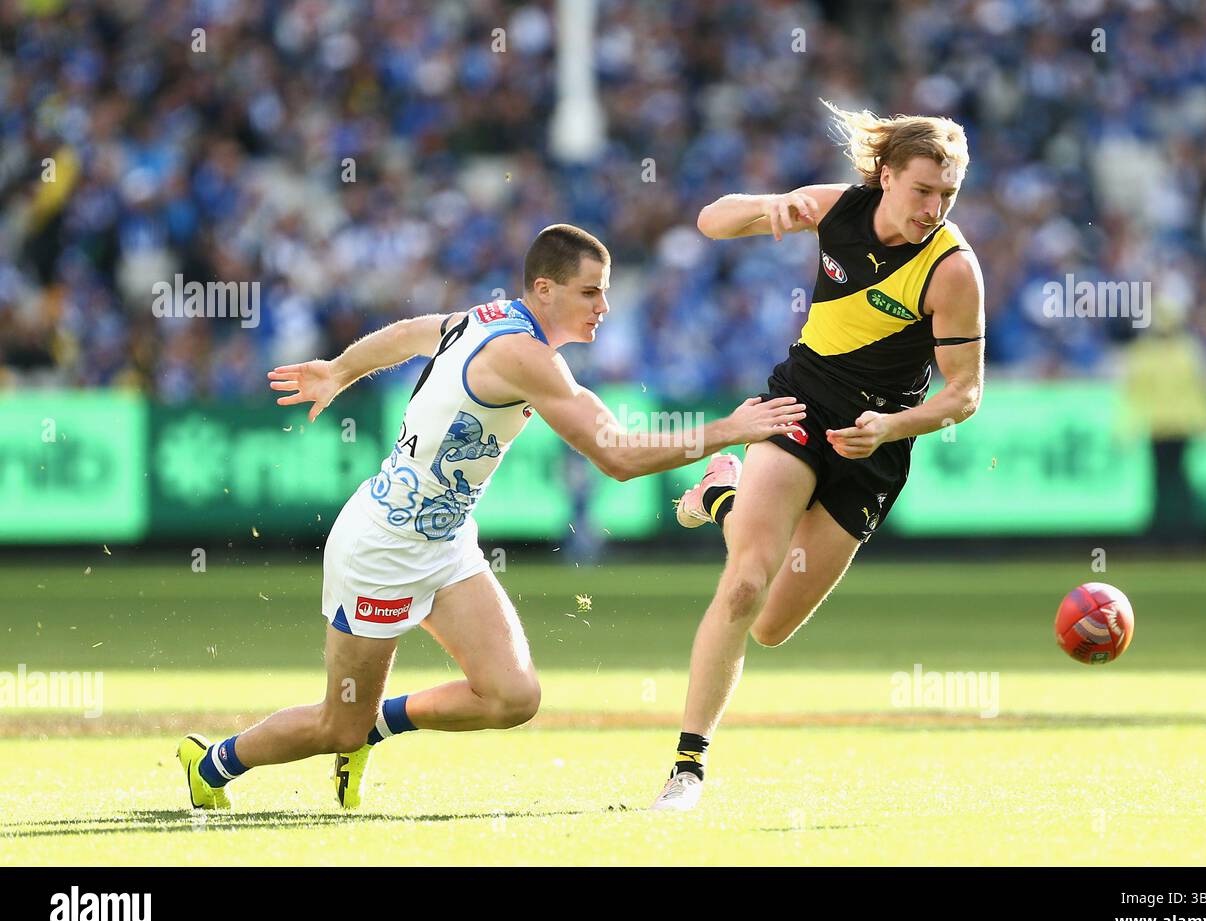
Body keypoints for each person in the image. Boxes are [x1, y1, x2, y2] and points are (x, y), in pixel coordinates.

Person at [177, 224, 806, 810]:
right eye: (589, 292)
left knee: (512, 697)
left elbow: (411, 333)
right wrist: (728, 430)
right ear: (545, 289)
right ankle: (212, 766)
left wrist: (341, 369)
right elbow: (614, 456)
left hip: (446, 545)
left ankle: (381, 725)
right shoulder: (526, 357)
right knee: (337, 725)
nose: (602, 308)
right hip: (380, 550)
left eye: (605, 293)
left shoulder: (491, 317)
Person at [651, 107, 987, 810]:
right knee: (744, 585)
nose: (933, 208)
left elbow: (964, 395)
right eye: (923, 190)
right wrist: (772, 207)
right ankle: (687, 769)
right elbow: (711, 221)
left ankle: (720, 494)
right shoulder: (838, 208)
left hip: (873, 445)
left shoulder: (954, 271)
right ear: (886, 174)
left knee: (771, 626)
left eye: (947, 196)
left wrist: (894, 427)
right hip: (799, 405)